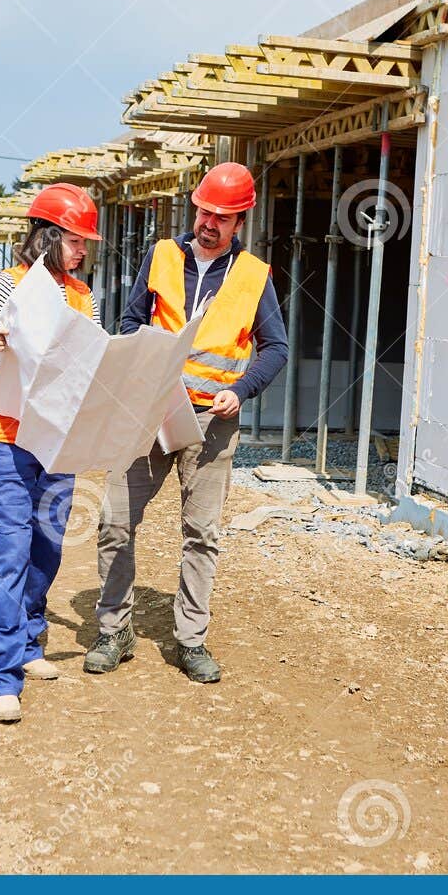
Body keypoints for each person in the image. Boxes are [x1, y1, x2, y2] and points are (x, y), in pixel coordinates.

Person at [86, 162, 288, 683]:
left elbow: (276, 348)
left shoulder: (253, 276)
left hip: (212, 422)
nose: (209, 222)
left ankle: (190, 640)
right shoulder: (160, 257)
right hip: (150, 410)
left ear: (240, 220)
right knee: (114, 518)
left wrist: (239, 391)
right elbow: (130, 321)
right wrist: (144, 360)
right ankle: (114, 631)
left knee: (201, 532)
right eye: (204, 211)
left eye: (222, 216)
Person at [0, 183, 102, 722]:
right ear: (46, 236)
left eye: (85, 240)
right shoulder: (5, 287)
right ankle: (0, 672)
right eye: (74, 239)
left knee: (46, 547)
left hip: (58, 441)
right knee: (6, 549)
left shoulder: (82, 296)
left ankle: (28, 641)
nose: (82, 248)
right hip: (4, 439)